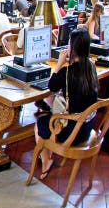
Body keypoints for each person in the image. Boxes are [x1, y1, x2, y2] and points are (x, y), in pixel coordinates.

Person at [33, 27, 99, 180]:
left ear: (72, 47)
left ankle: (46, 160)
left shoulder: (67, 72)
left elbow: (51, 86)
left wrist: (59, 64)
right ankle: (49, 151)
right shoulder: (91, 66)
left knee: (39, 121)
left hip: (72, 132)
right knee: (47, 106)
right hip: (87, 126)